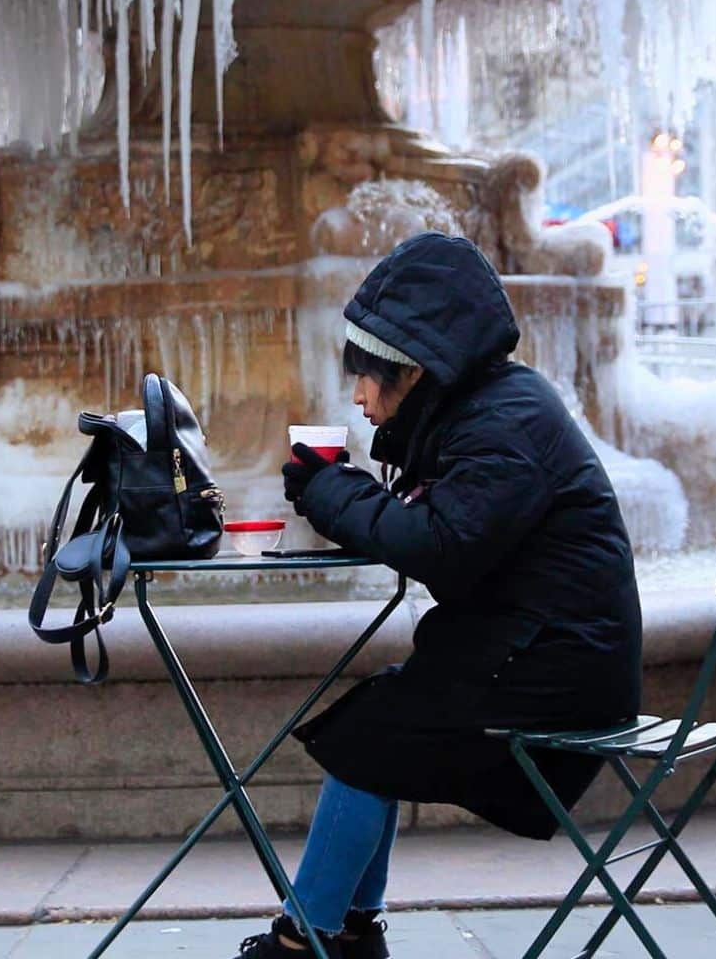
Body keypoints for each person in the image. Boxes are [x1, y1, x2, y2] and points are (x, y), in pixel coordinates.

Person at [232, 232, 643, 959]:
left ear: (415, 371)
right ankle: (350, 931)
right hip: (544, 655)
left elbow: (442, 550)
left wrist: (333, 493)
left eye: (367, 376)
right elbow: (448, 539)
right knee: (384, 722)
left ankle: (307, 942)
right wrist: (346, 492)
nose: (357, 395)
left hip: (556, 676)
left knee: (373, 738)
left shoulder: (502, 425)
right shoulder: (494, 409)